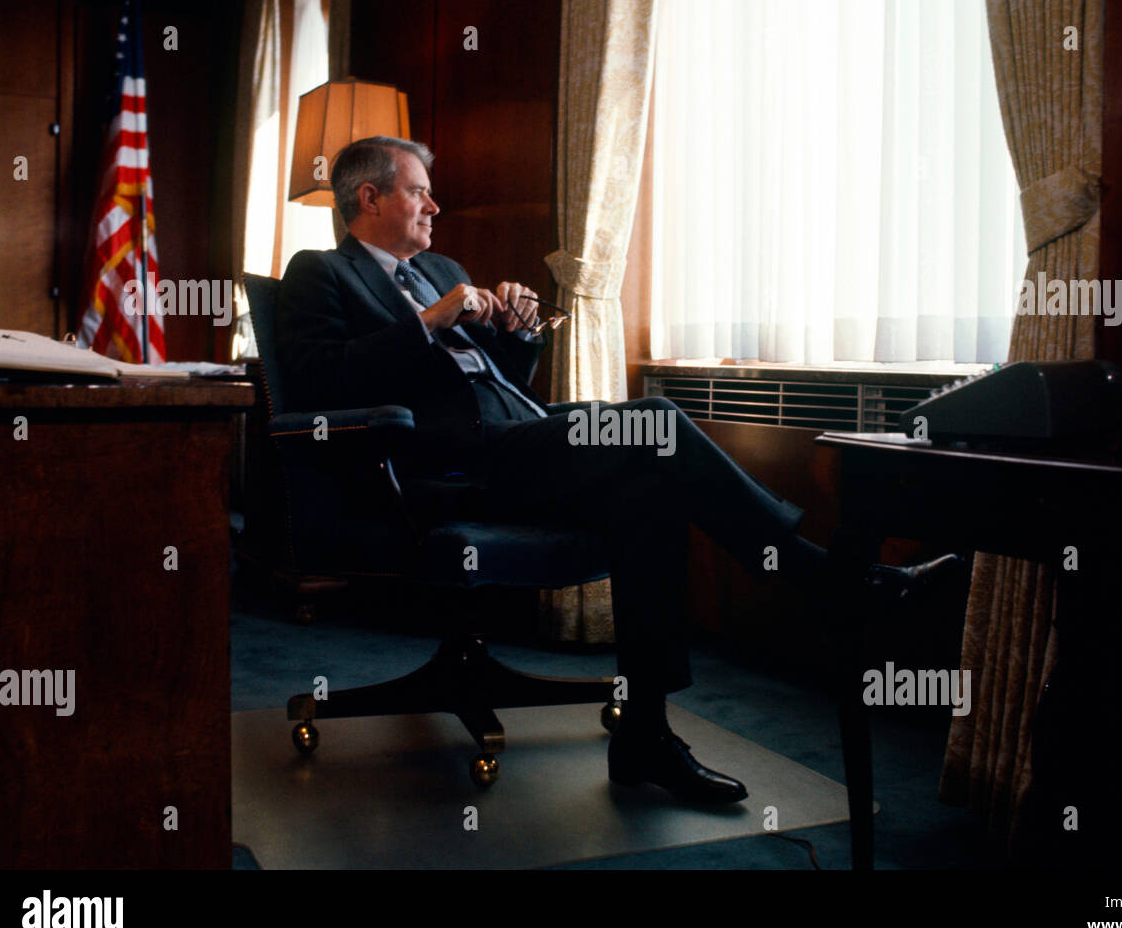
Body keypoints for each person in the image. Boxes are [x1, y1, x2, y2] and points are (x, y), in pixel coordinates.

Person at [277, 135, 954, 804]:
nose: (435, 204)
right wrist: (432, 320)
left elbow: (499, 379)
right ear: (370, 197)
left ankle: (645, 738)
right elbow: (317, 383)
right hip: (441, 464)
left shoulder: (439, 267)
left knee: (647, 486)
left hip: (515, 437)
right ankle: (824, 577)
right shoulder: (321, 273)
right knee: (654, 425)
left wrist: (519, 331)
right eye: (419, 190)